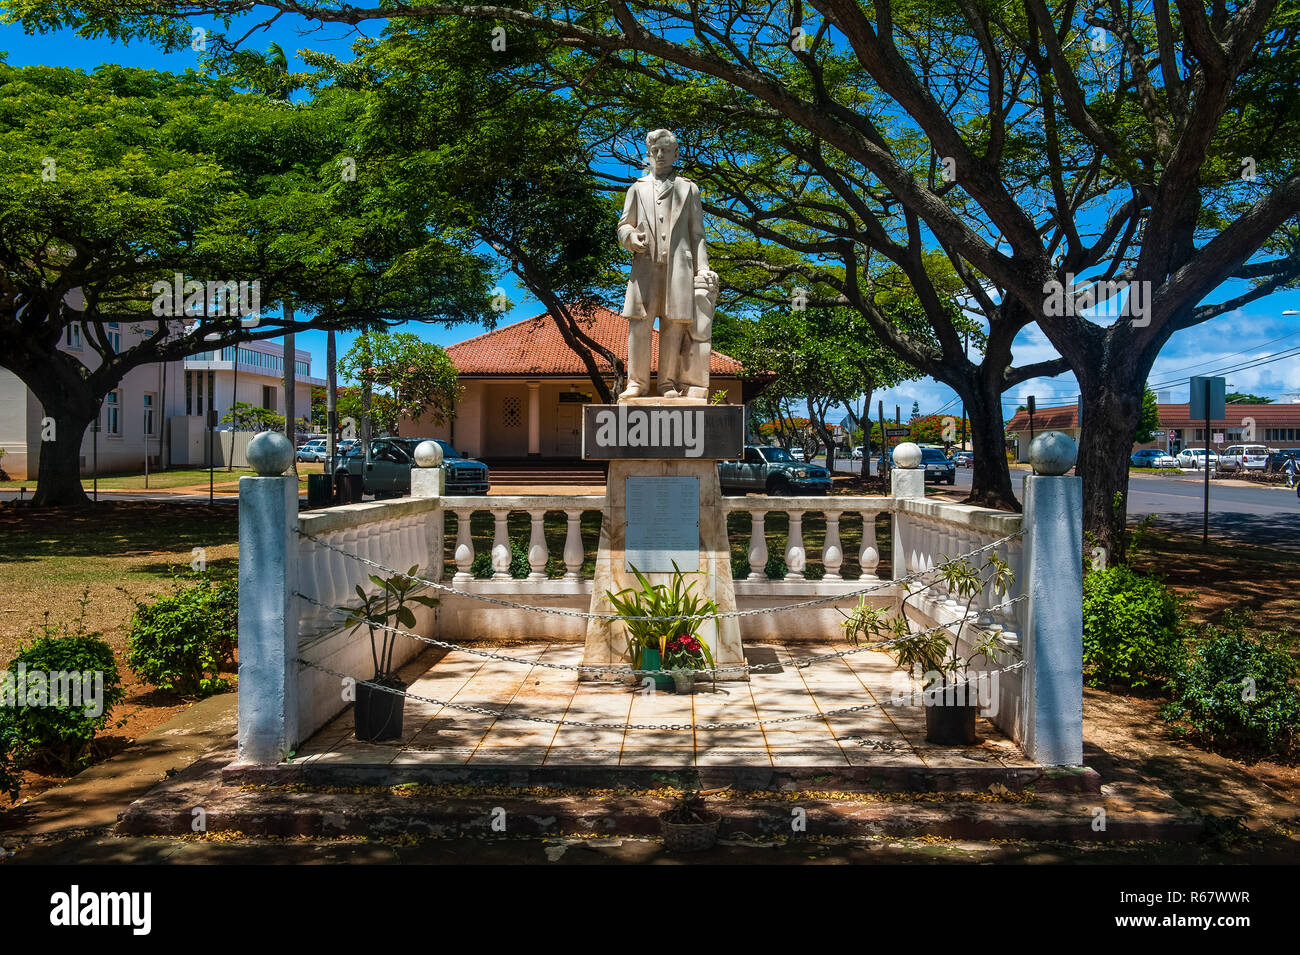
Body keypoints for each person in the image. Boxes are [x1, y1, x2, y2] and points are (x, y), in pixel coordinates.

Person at [616, 129, 716, 400]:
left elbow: (698, 234)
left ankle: (667, 383)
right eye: (655, 150)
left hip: (679, 269)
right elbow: (624, 224)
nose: (660, 155)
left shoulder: (688, 188)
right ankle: (636, 382)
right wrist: (629, 237)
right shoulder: (637, 188)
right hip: (646, 268)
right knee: (639, 324)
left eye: (665, 150)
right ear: (649, 152)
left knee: (674, 325)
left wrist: (703, 268)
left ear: (676, 153)